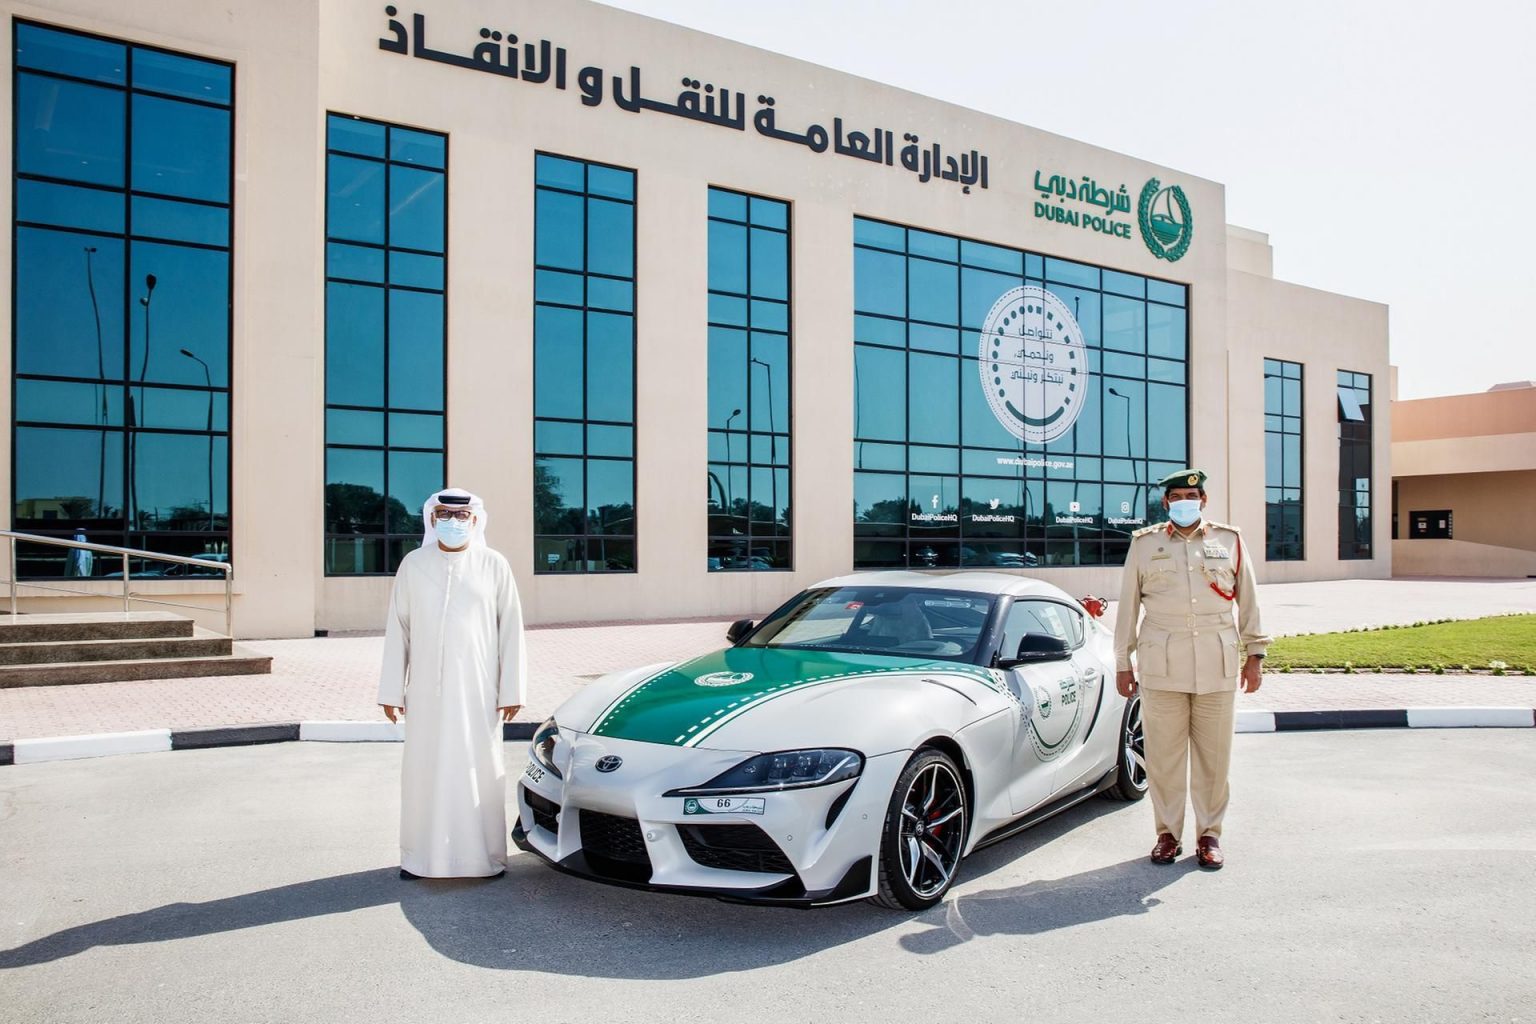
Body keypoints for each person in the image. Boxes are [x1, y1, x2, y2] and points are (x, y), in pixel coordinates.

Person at [1113, 469, 1268, 870]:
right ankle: (1167, 834)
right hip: (1161, 664)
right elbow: (1128, 604)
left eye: (1192, 494)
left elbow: (1248, 600)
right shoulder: (1145, 545)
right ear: (1166, 503)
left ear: (1204, 500)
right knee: (1164, 758)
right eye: (1178, 495)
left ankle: (1209, 834)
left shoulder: (1228, 540)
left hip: (1216, 664)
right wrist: (1121, 663)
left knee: (1214, 759)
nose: (1186, 501)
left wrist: (1255, 656)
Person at [378, 488, 526, 879]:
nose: (453, 522)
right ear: (431, 518)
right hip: (426, 692)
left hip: (480, 692)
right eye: (444, 514)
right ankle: (420, 858)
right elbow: (400, 630)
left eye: (462, 516)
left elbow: (511, 630)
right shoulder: (413, 564)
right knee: (424, 771)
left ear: (475, 520)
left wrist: (512, 689)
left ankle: (484, 859)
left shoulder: (494, 565)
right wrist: (391, 690)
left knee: (477, 769)